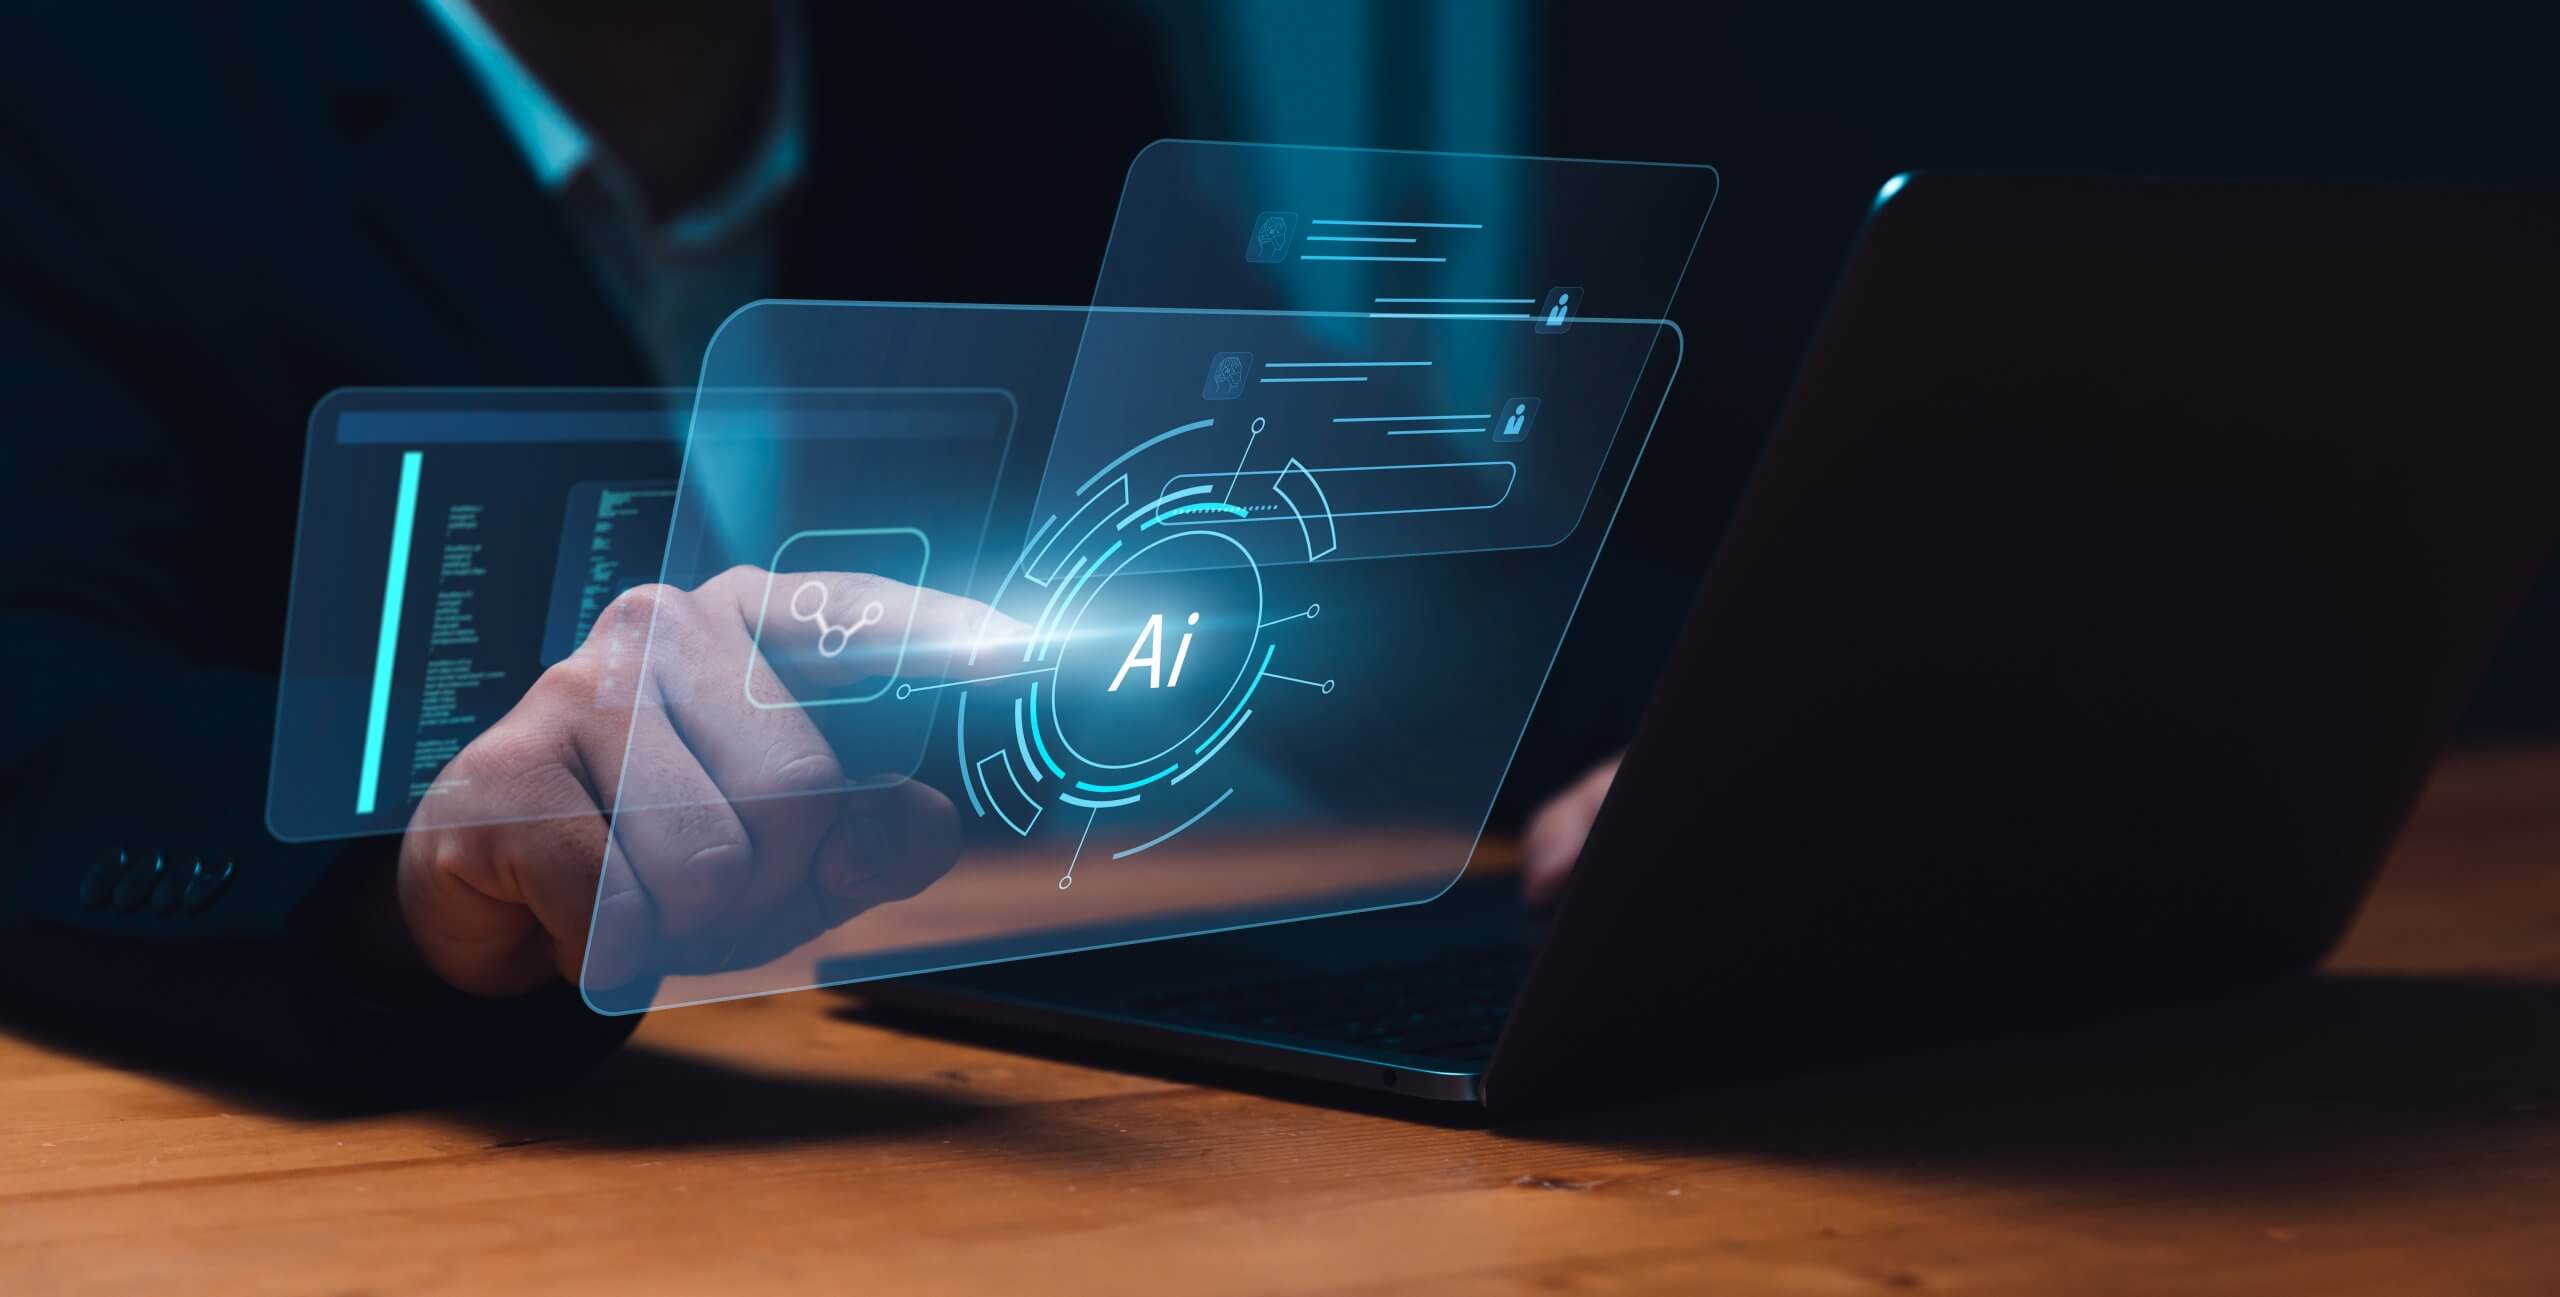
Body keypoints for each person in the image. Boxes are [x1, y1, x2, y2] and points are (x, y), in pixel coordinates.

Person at [0, 0, 1170, 1097]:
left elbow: (1255, 537)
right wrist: (409, 850)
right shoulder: (85, 77)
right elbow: (39, 671)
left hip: (1002, 1034)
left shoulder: (1035, 55)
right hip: (420, 1113)